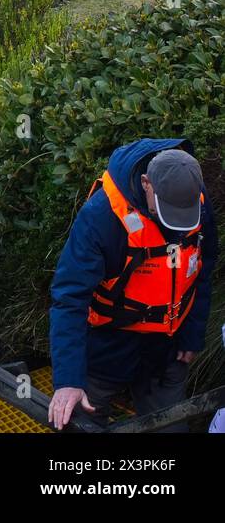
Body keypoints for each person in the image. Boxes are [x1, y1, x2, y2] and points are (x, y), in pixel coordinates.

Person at [47, 141, 217, 430]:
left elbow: (203, 269)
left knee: (172, 426)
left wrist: (192, 335)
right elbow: (69, 297)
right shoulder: (101, 216)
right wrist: (68, 380)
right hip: (107, 345)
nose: (177, 224)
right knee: (80, 423)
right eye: (168, 211)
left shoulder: (195, 199)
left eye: (183, 213)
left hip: (166, 349)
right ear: (146, 183)